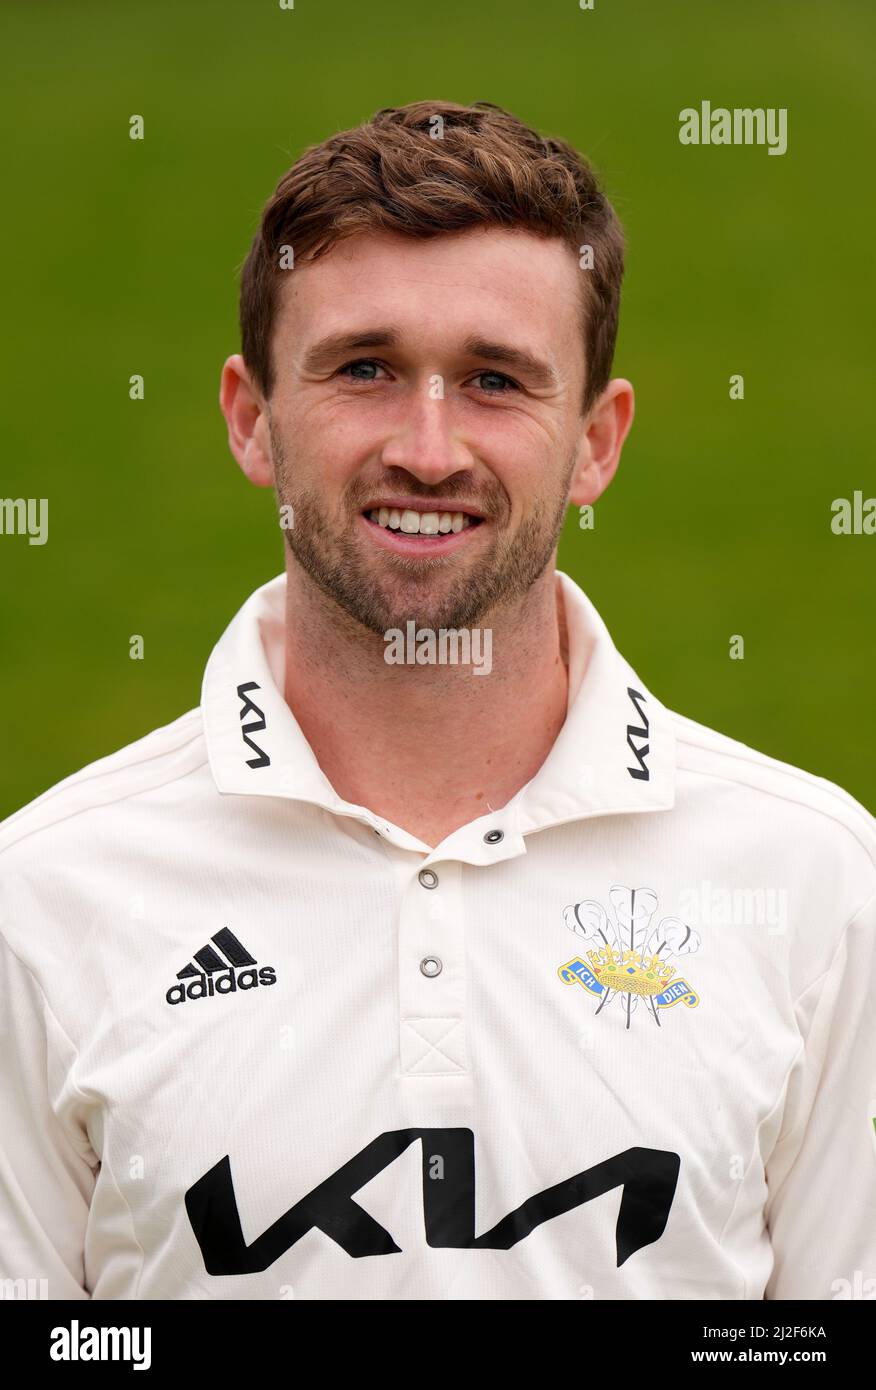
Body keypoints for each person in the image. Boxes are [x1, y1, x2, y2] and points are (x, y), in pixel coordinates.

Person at [1, 100, 873, 1301]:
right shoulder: (40, 901)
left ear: (595, 443)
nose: (427, 447)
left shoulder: (820, 885)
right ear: (253, 419)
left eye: (495, 381)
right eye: (364, 369)